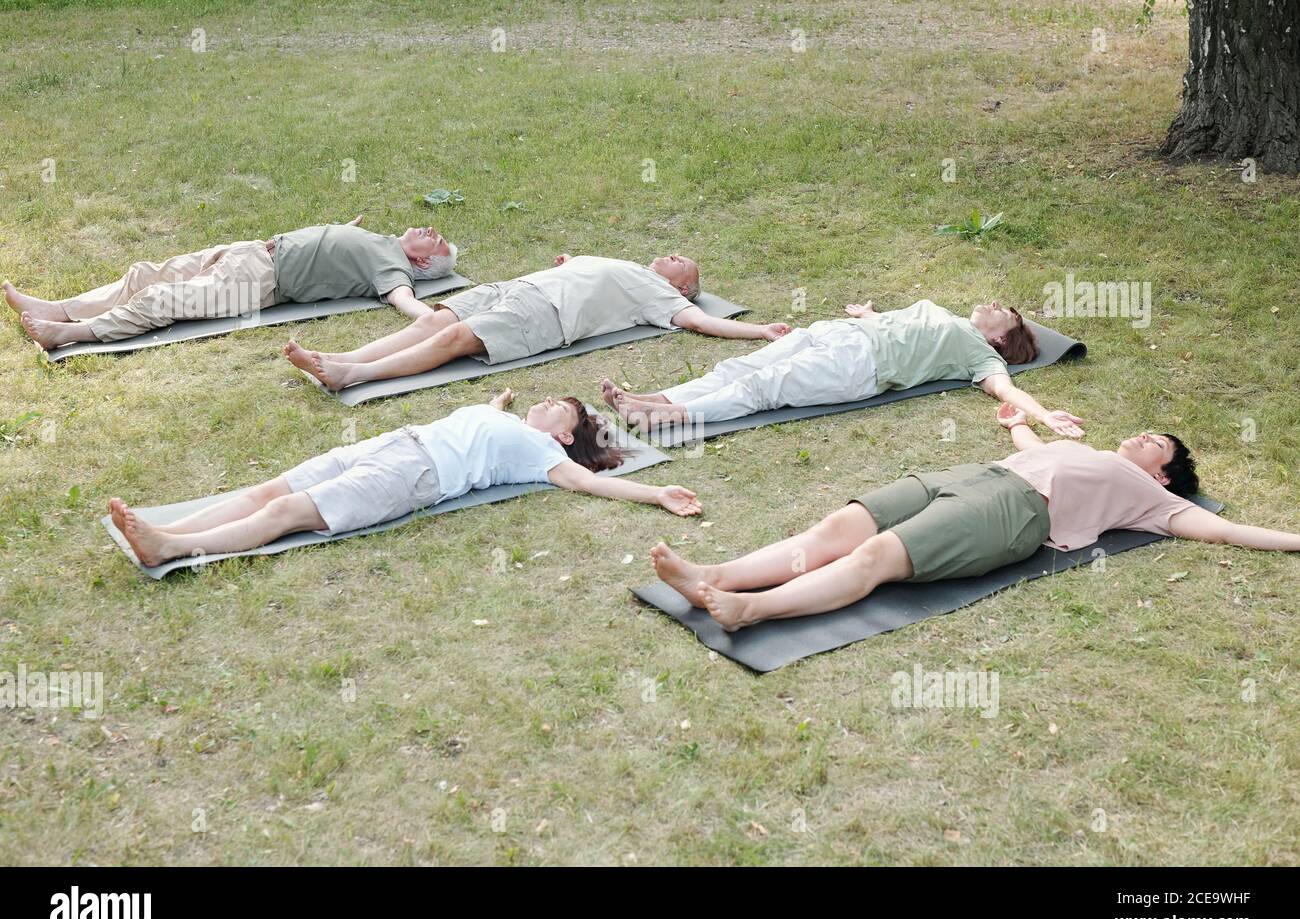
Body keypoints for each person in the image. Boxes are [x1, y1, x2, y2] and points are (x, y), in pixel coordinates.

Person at [650, 402, 1300, 631]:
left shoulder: (1156, 498)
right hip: (979, 477)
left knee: (873, 559)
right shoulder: (1094, 450)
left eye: (1155, 442)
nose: (1142, 438)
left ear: (1163, 472)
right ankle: (719, 574)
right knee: (837, 527)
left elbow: (1217, 528)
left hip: (1016, 515)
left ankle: (749, 610)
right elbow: (1039, 452)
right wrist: (1018, 426)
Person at [109, 389, 700, 568]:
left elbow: (591, 484)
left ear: (565, 435)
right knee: (268, 491)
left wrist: (654, 492)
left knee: (284, 515)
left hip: (418, 474)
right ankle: (170, 528)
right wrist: (499, 401)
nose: (547, 403)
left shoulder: (541, 452)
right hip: (396, 443)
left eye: (560, 408)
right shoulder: (503, 418)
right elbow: (490, 409)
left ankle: (173, 546)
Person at [283, 252, 792, 391]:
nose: (674, 255)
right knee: (434, 321)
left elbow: (702, 324)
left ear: (683, 287)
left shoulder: (662, 296)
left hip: (546, 316)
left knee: (458, 338)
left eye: (684, 262)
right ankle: (342, 359)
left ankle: (354, 375)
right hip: (519, 287)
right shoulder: (633, 267)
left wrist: (760, 332)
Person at [602, 297, 1085, 437]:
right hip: (836, 334)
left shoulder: (980, 354)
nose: (997, 302)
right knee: (738, 367)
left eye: (1007, 311)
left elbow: (1006, 392)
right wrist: (869, 316)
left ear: (1003, 336)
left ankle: (671, 417)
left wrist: (1043, 415)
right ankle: (659, 399)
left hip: (860, 367)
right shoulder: (950, 319)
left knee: (764, 387)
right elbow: (907, 324)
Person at [7, 215, 458, 349]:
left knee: (160, 299)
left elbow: (403, 302)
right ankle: (59, 308)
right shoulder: (381, 240)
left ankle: (69, 334)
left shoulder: (395, 272)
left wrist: (435, 316)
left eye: (437, 244)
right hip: (251, 250)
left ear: (422, 266)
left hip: (261, 283)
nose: (433, 232)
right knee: (144, 272)